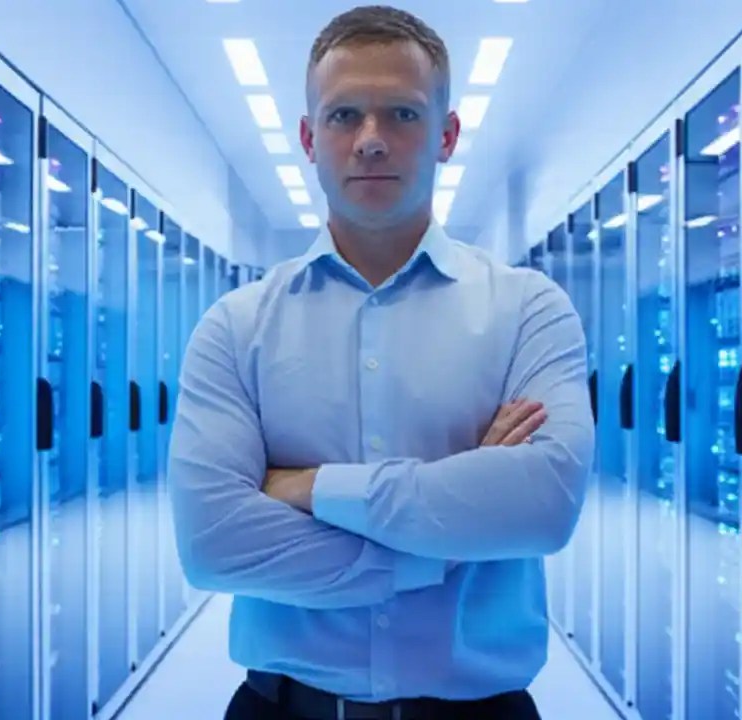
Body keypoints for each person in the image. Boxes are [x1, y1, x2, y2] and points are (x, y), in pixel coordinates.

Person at [168, 5, 594, 719]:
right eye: (342, 118)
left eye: (401, 113)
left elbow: (542, 506)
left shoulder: (529, 309)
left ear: (447, 135)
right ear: (308, 138)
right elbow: (213, 542)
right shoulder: (236, 327)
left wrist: (307, 487)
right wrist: (445, 542)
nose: (370, 141)